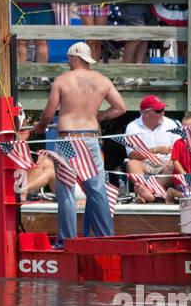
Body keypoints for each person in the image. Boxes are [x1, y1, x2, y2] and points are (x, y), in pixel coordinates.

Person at [31, 42, 125, 243]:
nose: (67, 62)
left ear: (74, 58)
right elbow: (120, 108)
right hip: (90, 137)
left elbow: (49, 113)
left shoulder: (62, 80)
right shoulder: (102, 80)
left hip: (67, 138)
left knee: (66, 191)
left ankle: (66, 241)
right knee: (97, 189)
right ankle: (105, 237)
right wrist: (100, 116)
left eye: (68, 58)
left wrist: (39, 126)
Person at [124, 95, 179, 203]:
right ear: (146, 113)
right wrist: (155, 150)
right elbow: (132, 154)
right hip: (145, 163)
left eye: (163, 110)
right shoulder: (132, 127)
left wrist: (173, 159)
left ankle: (148, 193)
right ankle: (151, 193)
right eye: (158, 111)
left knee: (175, 165)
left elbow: (180, 147)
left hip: (166, 162)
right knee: (131, 164)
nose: (162, 113)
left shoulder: (171, 124)